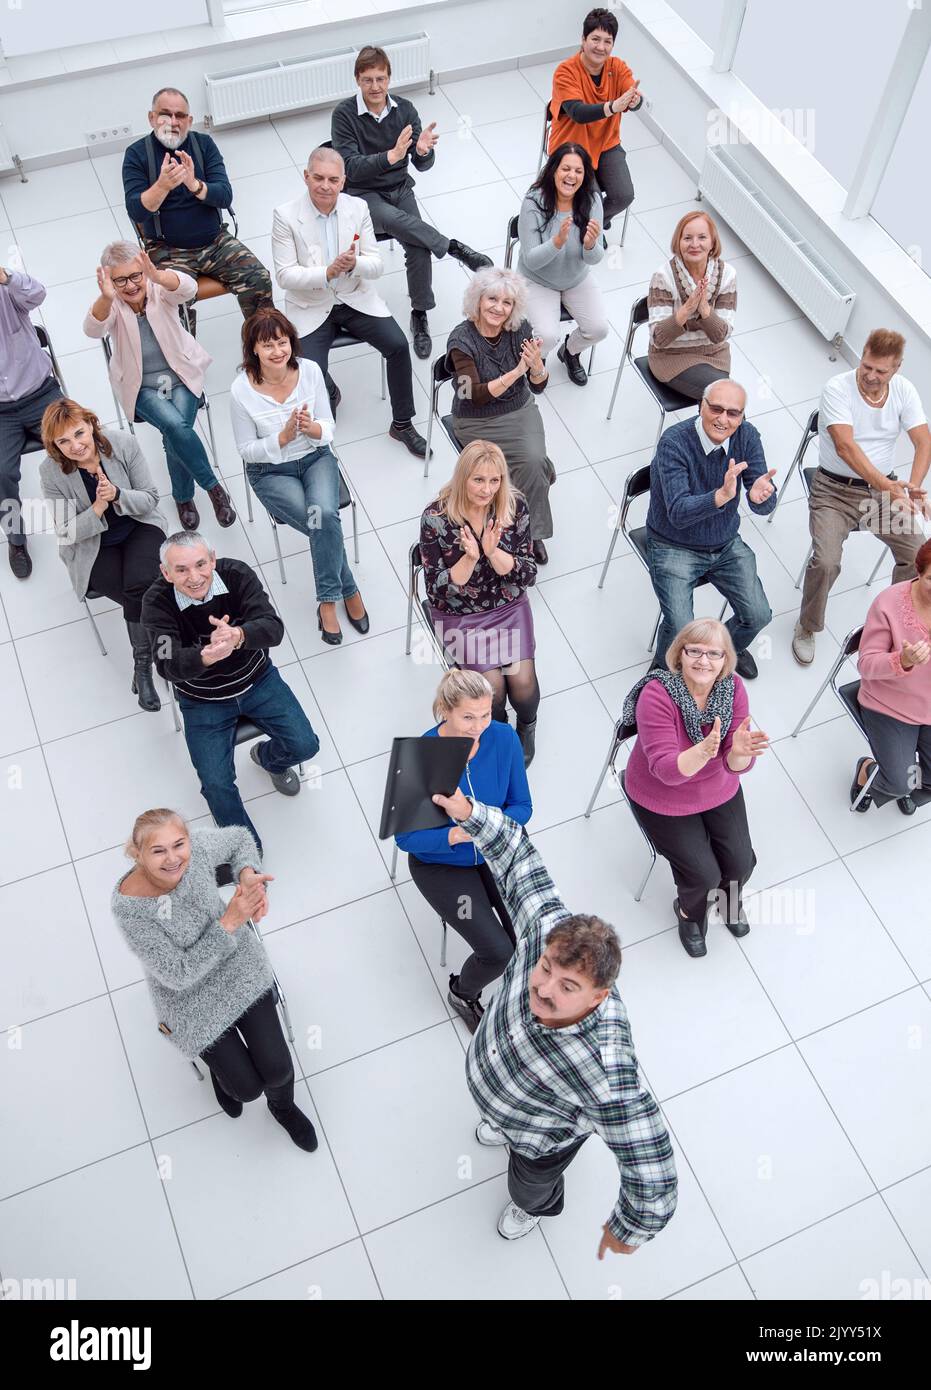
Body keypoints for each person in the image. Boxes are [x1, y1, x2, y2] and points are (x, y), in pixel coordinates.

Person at [431, 783, 677, 1248]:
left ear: (598, 997)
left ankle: (535, 1207)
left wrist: (625, 1231)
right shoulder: (546, 929)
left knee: (529, 1184)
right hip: (507, 1095)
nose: (543, 989)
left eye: (567, 987)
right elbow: (517, 855)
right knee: (502, 1118)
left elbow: (654, 1176)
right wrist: (468, 811)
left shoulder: (607, 1068)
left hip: (540, 1140)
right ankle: (501, 1120)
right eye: (545, 968)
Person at [112, 808, 317, 1151]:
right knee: (246, 1088)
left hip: (237, 966)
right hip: (188, 998)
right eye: (158, 850)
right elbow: (177, 974)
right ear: (138, 853)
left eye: (179, 844)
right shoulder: (129, 910)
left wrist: (247, 873)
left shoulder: (199, 849)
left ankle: (283, 1107)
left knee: (278, 1070)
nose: (174, 858)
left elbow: (239, 839)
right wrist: (229, 923)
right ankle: (223, 1079)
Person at [142, 532, 320, 854]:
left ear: (212, 559)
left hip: (258, 681)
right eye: (181, 570)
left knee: (306, 745)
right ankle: (243, 848)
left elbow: (272, 627)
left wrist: (239, 635)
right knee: (216, 784)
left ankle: (267, 758)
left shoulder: (237, 574)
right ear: (166, 573)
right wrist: (204, 656)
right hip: (202, 701)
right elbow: (166, 664)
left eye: (200, 564)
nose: (194, 578)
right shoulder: (156, 602)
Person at [331, 45, 492, 360]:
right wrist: (390, 156)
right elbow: (349, 167)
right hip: (362, 194)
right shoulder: (344, 115)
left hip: (399, 187)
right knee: (392, 220)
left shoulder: (405, 110)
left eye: (380, 79)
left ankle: (419, 313)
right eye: (367, 80)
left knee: (417, 246)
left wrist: (422, 151)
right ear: (357, 80)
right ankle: (453, 248)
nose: (375, 87)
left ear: (389, 78)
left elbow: (423, 165)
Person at [622, 619, 767, 957]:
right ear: (680, 654)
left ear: (725, 659)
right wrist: (702, 752)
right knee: (703, 875)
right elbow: (666, 772)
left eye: (714, 654)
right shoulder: (657, 694)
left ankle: (729, 898)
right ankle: (689, 913)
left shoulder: (733, 689)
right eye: (695, 651)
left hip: (717, 786)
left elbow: (735, 759)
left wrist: (739, 756)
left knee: (742, 862)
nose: (704, 661)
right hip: (662, 794)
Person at [271, 146, 428, 458]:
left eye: (333, 179)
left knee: (398, 345)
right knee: (309, 367)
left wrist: (354, 265)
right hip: (311, 305)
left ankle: (402, 423)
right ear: (306, 177)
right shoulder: (285, 216)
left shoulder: (357, 208)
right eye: (318, 178)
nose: (325, 186)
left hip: (355, 297)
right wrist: (326, 272)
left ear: (343, 182)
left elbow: (377, 264)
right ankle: (328, 392)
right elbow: (285, 276)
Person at [396, 669, 531, 1031]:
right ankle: (463, 992)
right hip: (441, 864)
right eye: (468, 717)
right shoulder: (420, 757)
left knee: (527, 935)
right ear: (446, 710)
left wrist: (482, 823)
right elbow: (406, 839)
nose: (478, 726)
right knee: (498, 951)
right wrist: (455, 836)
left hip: (494, 848)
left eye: (485, 714)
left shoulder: (503, 739)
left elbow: (522, 806)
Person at [792, 329, 931, 666]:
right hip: (834, 491)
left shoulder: (903, 390)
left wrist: (911, 487)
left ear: (896, 368)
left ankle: (896, 620)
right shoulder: (837, 388)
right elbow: (845, 447)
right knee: (826, 561)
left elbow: (923, 442)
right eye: (866, 366)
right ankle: (807, 625)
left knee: (916, 554)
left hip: (882, 492)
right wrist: (888, 486)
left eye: (880, 371)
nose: (870, 375)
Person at [230, 307, 368, 646]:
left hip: (315, 458)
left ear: (291, 342)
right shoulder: (240, 391)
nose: (277, 352)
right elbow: (246, 449)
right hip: (270, 471)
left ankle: (327, 600)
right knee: (323, 525)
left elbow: (329, 427)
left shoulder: (310, 371)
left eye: (282, 342)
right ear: (254, 350)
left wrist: (313, 428)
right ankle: (345, 589)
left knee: (322, 517)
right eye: (268, 346)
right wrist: (282, 437)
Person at [84, 240, 235, 532]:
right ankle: (214, 488)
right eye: (120, 280)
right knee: (178, 428)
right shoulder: (112, 304)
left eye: (135, 276)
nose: (130, 285)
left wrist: (157, 276)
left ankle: (183, 498)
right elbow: (93, 330)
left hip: (181, 376)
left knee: (173, 434)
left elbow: (189, 289)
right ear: (111, 282)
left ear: (143, 270)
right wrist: (105, 297)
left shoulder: (158, 288)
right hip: (143, 387)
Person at [39, 399, 167, 713]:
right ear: (54, 444)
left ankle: (142, 668)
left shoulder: (122, 443)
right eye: (64, 441)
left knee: (140, 590)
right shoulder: (50, 472)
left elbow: (150, 499)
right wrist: (98, 507)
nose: (75, 446)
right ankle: (168, 656)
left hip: (139, 527)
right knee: (144, 594)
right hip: (92, 547)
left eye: (79, 434)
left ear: (92, 425)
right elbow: (66, 532)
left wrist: (118, 495)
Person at [646, 379, 777, 679]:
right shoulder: (674, 442)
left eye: (733, 413)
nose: (723, 419)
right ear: (700, 406)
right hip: (673, 543)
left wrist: (761, 498)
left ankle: (729, 648)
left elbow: (762, 499)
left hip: (724, 543)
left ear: (742, 416)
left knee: (758, 615)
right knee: (681, 628)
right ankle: (663, 674)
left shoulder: (747, 436)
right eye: (716, 408)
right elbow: (677, 513)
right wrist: (719, 497)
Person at [420, 441, 541, 765]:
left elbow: (528, 575)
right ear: (463, 477)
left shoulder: (513, 506)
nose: (487, 489)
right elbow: (436, 590)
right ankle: (498, 733)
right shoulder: (436, 518)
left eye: (494, 480)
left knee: (523, 682)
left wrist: (492, 552)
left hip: (507, 605)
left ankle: (526, 728)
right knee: (492, 689)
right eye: (478, 480)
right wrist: (470, 559)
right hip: (460, 613)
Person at [122, 86, 273, 330]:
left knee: (258, 278)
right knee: (166, 300)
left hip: (215, 242)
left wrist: (194, 185)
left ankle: (265, 350)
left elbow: (225, 196)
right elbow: (136, 211)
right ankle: (184, 362)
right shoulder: (137, 155)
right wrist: (162, 186)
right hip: (167, 250)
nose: (173, 121)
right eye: (165, 114)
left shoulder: (204, 145)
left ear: (189, 121)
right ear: (152, 118)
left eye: (180, 116)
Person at [447, 267, 554, 563]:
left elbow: (539, 385)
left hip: (519, 409)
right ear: (478, 300)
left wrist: (535, 368)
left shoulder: (519, 329)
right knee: (510, 471)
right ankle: (514, 513)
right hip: (476, 420)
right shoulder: (461, 341)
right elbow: (472, 395)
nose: (498, 308)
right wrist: (515, 372)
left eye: (507, 303)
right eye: (492, 299)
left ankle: (532, 533)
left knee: (531, 463)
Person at [516, 143, 608, 386]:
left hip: (576, 277)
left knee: (599, 329)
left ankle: (570, 351)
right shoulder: (533, 202)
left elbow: (596, 258)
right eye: (566, 168)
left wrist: (589, 245)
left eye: (578, 171)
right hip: (538, 280)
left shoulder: (591, 201)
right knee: (546, 336)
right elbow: (530, 260)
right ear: (554, 170)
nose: (571, 176)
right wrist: (556, 243)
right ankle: (537, 362)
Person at [851, 538, 931, 817]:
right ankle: (870, 771)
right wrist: (903, 660)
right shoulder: (890, 603)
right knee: (897, 782)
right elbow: (866, 665)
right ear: (919, 572)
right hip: (890, 703)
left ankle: (911, 783)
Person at [548, 7, 644, 231]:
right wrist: (613, 107)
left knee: (624, 195)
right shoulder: (565, 71)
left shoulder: (617, 67)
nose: (601, 47)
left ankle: (593, 225)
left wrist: (634, 101)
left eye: (607, 41)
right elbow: (578, 113)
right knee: (589, 201)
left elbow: (633, 96)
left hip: (606, 144)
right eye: (595, 39)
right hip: (572, 148)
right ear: (583, 39)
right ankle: (588, 226)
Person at [0, 265, 63, 578]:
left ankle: (97, 512)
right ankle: (16, 538)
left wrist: (8, 278)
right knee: (1, 472)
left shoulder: (8, 291)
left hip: (40, 392)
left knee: (76, 445)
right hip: (0, 411)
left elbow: (37, 293)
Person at [647, 210, 737, 401]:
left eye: (702, 237)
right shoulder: (663, 277)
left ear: (712, 242)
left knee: (722, 401)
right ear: (678, 243)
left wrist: (704, 308)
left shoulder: (727, 275)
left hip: (714, 355)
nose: (695, 244)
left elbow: (721, 335)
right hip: (671, 357)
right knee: (721, 398)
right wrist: (687, 309)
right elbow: (658, 339)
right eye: (687, 238)